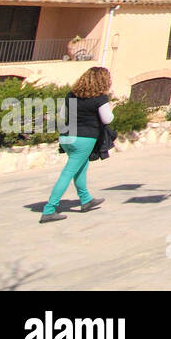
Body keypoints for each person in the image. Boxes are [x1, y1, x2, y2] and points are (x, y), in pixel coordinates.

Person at [40, 66, 113, 223]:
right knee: (68, 172)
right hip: (84, 139)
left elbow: (62, 115)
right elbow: (107, 119)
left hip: (66, 137)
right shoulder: (100, 99)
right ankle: (49, 209)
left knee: (81, 168)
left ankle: (86, 200)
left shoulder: (71, 96)